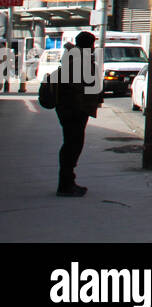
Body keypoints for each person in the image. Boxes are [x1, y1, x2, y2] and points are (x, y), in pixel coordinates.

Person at [54, 32, 102, 197]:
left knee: (70, 145)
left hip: (69, 108)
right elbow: (81, 86)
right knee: (72, 146)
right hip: (75, 109)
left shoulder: (72, 57)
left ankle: (68, 182)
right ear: (90, 45)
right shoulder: (81, 60)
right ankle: (66, 185)